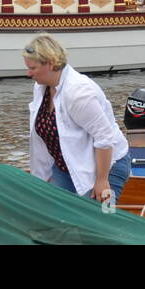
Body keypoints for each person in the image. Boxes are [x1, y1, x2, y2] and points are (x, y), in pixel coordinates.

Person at [23, 34, 131, 201]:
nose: (28, 73)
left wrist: (101, 180)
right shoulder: (41, 87)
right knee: (54, 214)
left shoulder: (78, 93)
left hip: (106, 165)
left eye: (33, 68)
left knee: (98, 218)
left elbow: (104, 137)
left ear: (50, 64)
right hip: (66, 164)